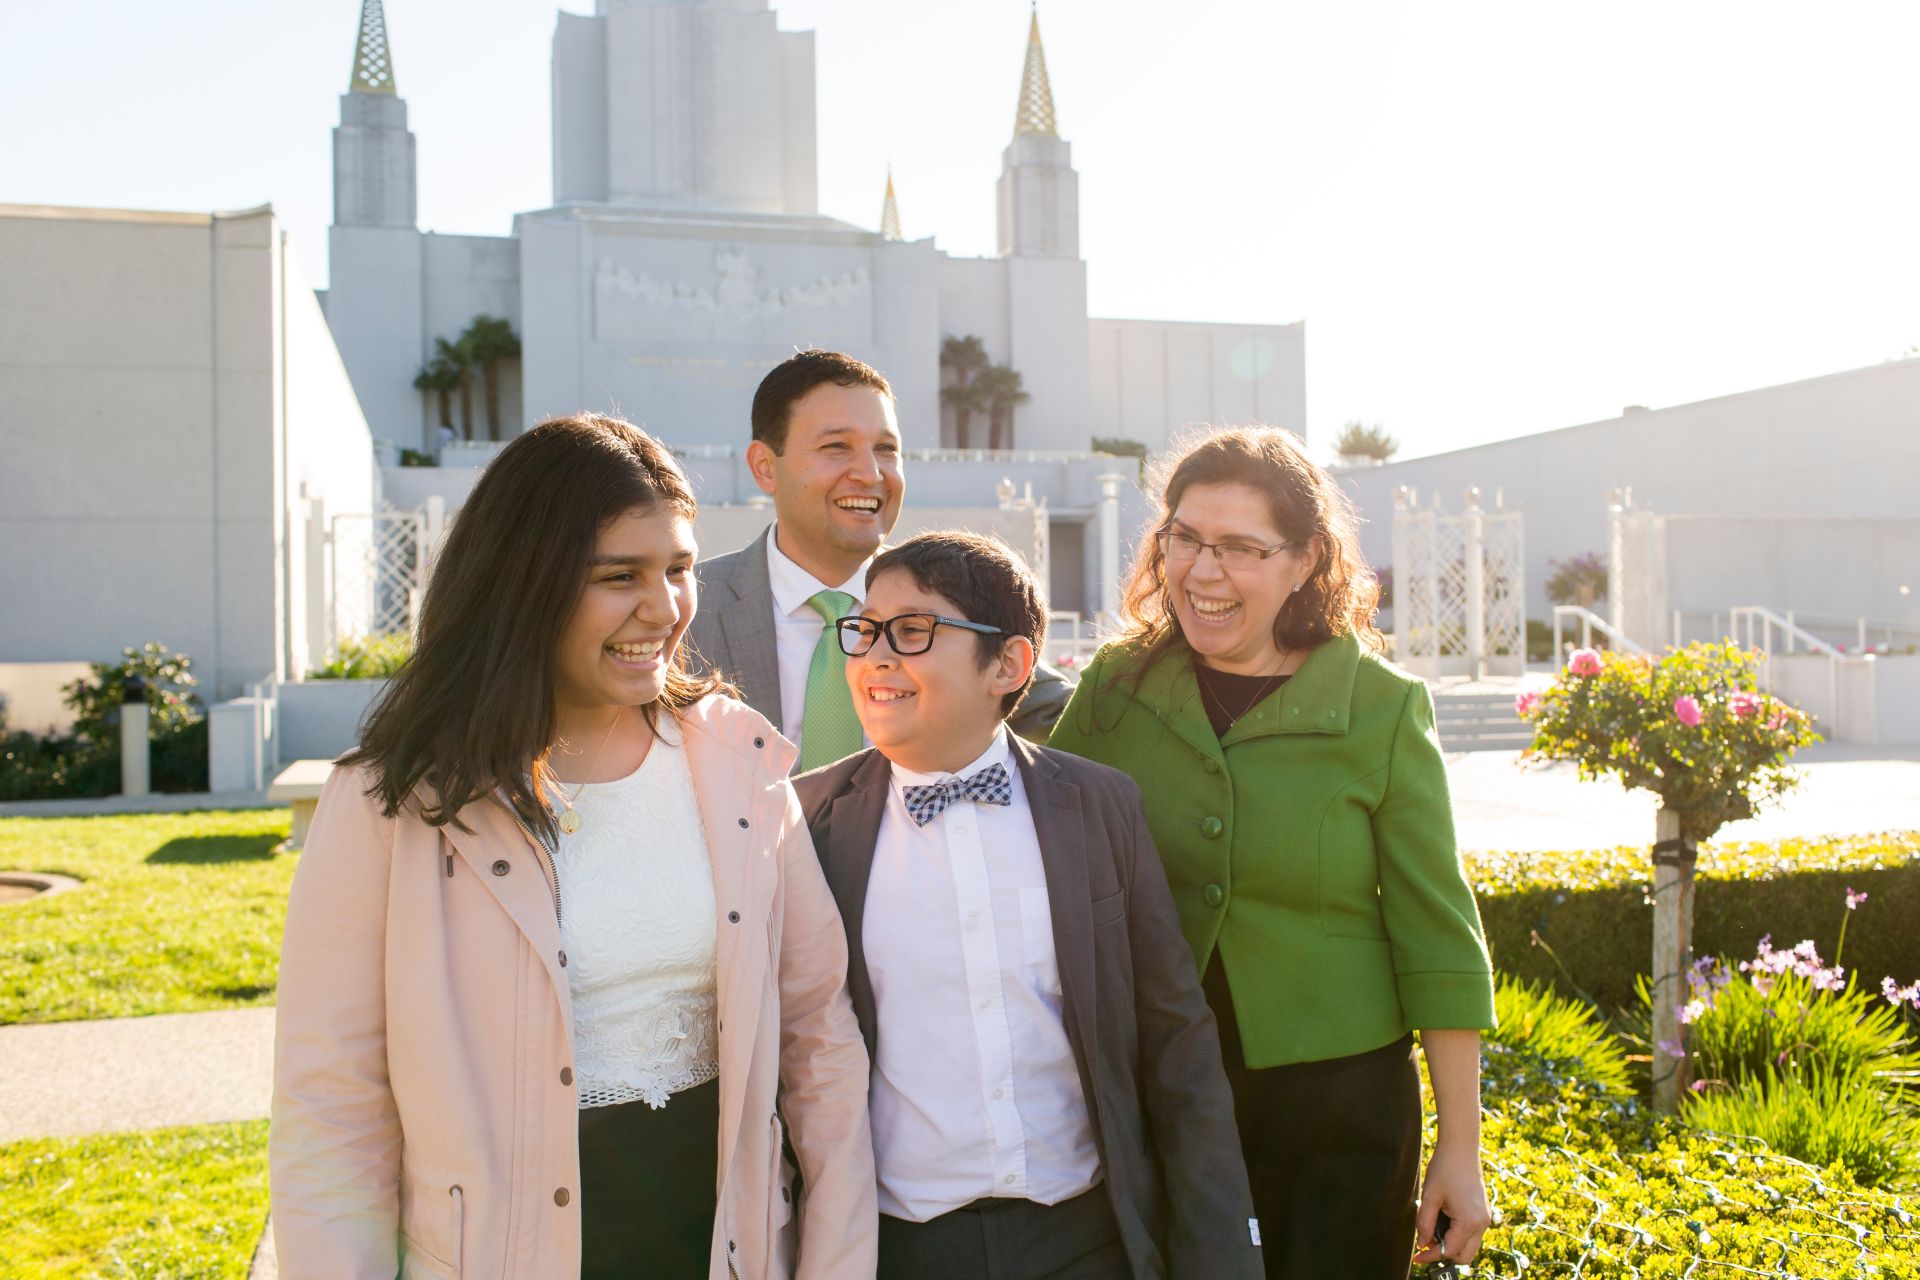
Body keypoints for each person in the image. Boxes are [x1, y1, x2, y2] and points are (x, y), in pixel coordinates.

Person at [270, 414, 877, 1280]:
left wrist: (834, 1262)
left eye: (677, 570)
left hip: (722, 1245)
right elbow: (331, 1112)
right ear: (524, 586)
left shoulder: (739, 759)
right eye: (618, 576)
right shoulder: (388, 803)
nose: (663, 610)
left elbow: (819, 1038)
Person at [1046, 427, 1497, 1279]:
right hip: (1160, 1094)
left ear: (1306, 559)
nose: (1201, 572)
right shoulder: (1115, 685)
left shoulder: (1382, 707)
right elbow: (1041, 854)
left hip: (1340, 1116)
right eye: (1183, 538)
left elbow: (1439, 938)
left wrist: (1461, 1149)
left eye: (1241, 548)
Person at [793, 531, 1262, 1280]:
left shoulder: (1099, 807)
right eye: (866, 629)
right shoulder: (805, 822)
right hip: (896, 1246)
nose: (877, 654)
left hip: (1086, 1237)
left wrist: (1223, 1257)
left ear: (1007, 664)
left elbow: (1175, 1040)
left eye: (913, 630)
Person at [686, 349, 1070, 772]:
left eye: (886, 449)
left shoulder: (957, 601)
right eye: (836, 447)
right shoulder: (686, 610)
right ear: (764, 467)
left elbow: (1069, 716)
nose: (870, 474)